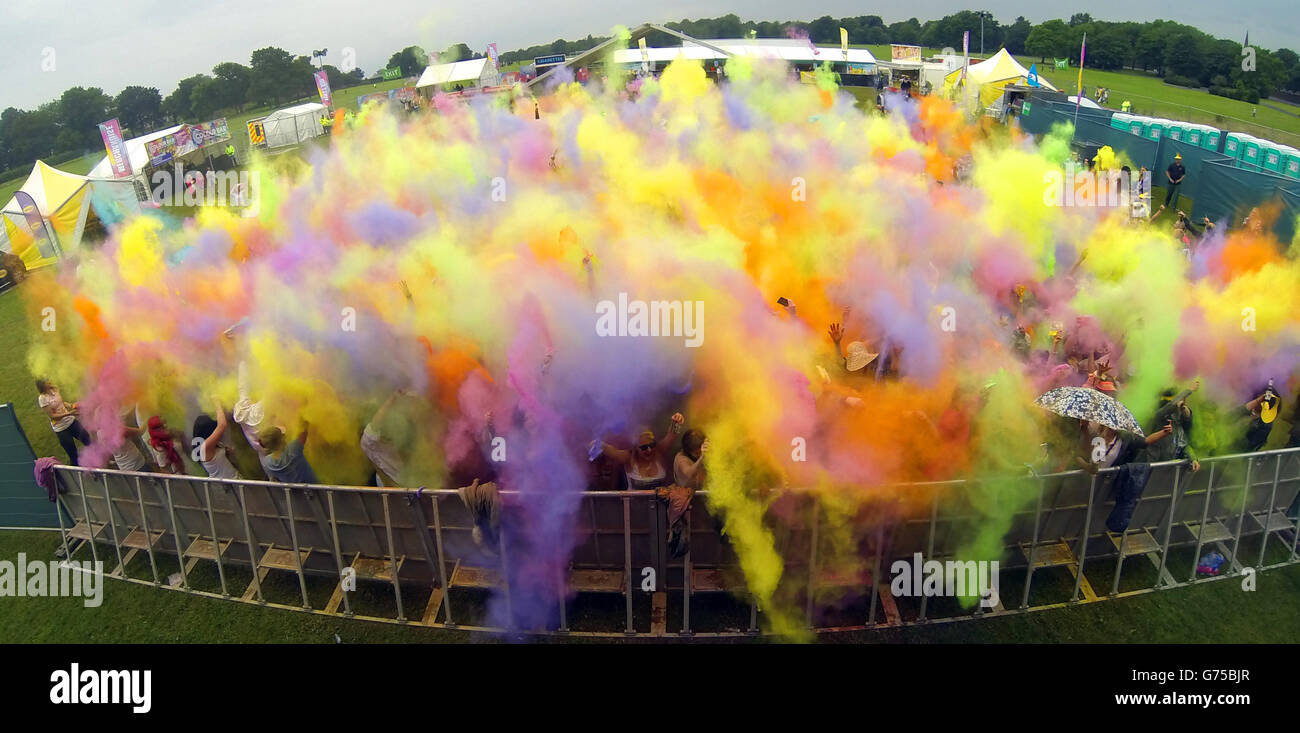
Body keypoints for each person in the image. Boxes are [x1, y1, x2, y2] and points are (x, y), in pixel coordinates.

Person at [595, 413, 685, 491]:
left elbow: (671, 435)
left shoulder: (659, 452)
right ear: (636, 447)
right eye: (644, 447)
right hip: (635, 509)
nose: (649, 450)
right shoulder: (629, 458)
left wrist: (677, 421)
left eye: (652, 445)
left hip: (659, 509)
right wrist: (595, 443)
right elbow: (611, 450)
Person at [1146, 381, 1201, 472]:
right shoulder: (1159, 417)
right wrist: (1189, 390)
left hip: (1168, 470)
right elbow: (1170, 406)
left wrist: (1193, 458)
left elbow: (1183, 444)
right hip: (1154, 469)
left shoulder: (1177, 424)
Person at [36, 379, 92, 465]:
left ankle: (99, 460)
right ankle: (76, 474)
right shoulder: (42, 399)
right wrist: (68, 413)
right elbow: (53, 416)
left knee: (88, 440)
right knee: (73, 455)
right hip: (61, 429)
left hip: (71, 422)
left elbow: (61, 403)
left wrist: (72, 406)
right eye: (47, 380)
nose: (50, 380)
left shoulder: (53, 389)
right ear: (42, 385)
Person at [193, 399, 242, 479]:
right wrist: (217, 403)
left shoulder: (210, 446)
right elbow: (222, 425)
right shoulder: (204, 448)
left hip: (233, 480)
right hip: (228, 487)